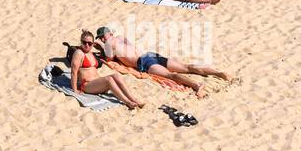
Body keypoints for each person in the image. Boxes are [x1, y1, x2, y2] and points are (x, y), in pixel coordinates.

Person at [94, 26, 231, 99]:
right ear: (110, 32)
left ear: (102, 37)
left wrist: (100, 46)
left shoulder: (108, 44)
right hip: (149, 54)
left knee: (170, 76)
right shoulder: (120, 37)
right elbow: (129, 48)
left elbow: (110, 60)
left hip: (143, 63)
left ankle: (197, 85)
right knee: (186, 67)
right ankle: (219, 73)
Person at [63, 32, 144, 110]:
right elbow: (74, 72)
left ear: (93, 44)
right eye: (84, 42)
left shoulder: (90, 53)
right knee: (109, 79)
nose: (87, 45)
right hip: (86, 85)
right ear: (81, 42)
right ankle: (128, 102)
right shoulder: (78, 53)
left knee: (116, 75)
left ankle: (133, 98)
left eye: (89, 43)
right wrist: (75, 90)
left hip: (97, 83)